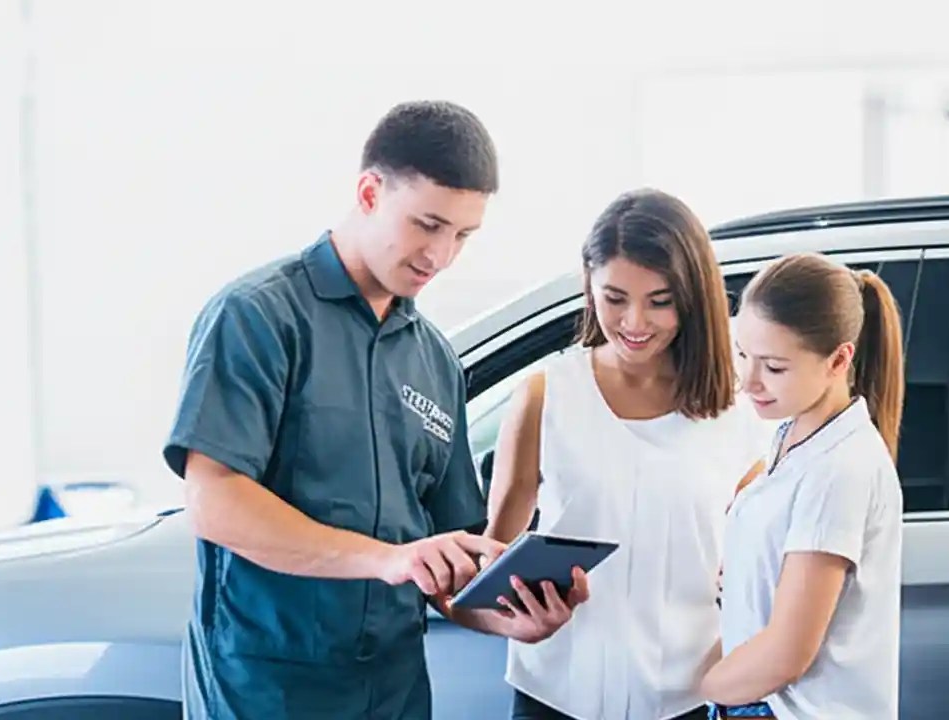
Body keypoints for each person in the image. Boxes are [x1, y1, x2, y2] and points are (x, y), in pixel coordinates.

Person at [162, 100, 587, 720]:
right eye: (427, 224)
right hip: (265, 694)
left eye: (463, 236)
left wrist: (512, 616)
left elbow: (447, 567)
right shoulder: (258, 317)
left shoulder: (435, 359)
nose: (440, 256)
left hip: (393, 694)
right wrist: (387, 558)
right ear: (368, 192)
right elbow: (214, 500)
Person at [484, 188, 775, 720]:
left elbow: (755, 557)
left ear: (692, 297)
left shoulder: (739, 407)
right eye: (614, 298)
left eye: (659, 301)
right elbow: (492, 561)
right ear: (588, 286)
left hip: (683, 697)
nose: (635, 323)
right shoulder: (547, 395)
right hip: (555, 694)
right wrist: (515, 608)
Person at [698, 253, 906, 719]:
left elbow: (787, 652)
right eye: (744, 355)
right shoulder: (790, 438)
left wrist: (697, 687)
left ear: (838, 359)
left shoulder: (840, 468)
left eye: (773, 366)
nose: (749, 381)